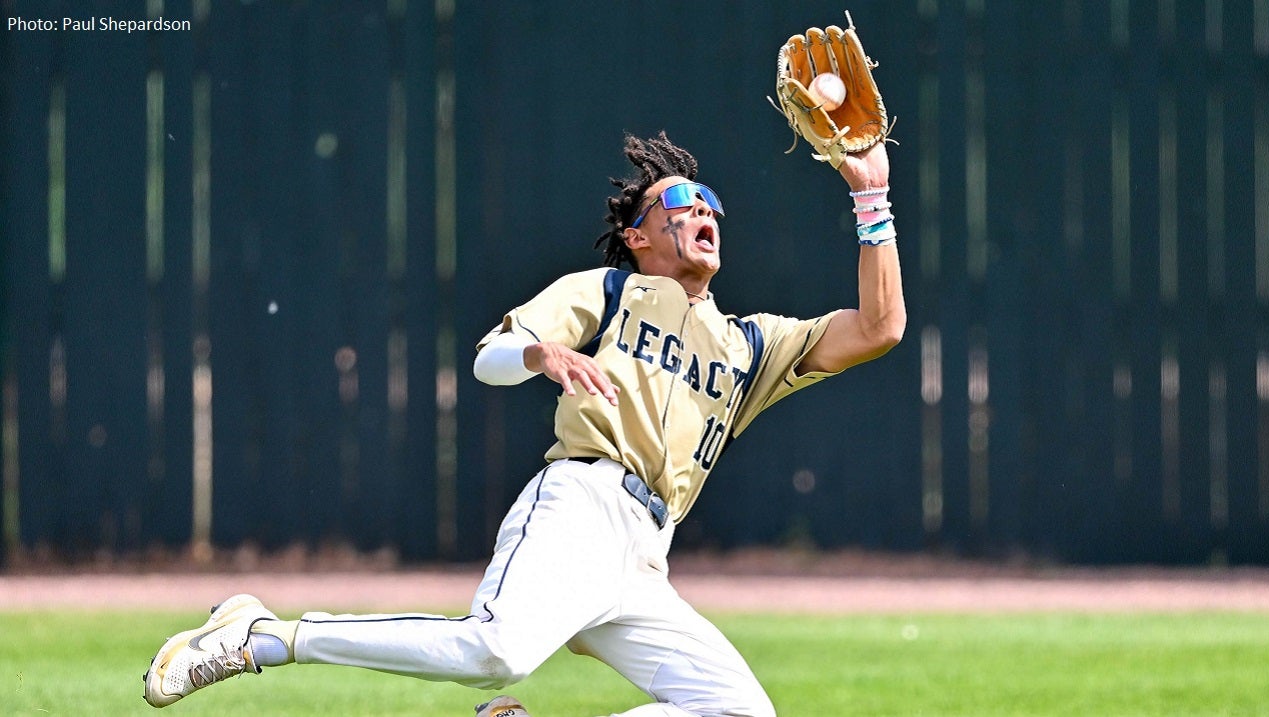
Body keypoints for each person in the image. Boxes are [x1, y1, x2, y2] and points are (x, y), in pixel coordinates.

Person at [143, 132, 905, 716]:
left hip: (644, 557)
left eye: (709, 201)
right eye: (681, 203)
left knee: (740, 711)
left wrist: (872, 198)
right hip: (581, 504)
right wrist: (542, 353)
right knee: (496, 649)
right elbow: (490, 356)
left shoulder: (752, 344)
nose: (702, 210)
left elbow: (880, 328)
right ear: (638, 236)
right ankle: (262, 635)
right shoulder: (610, 291)